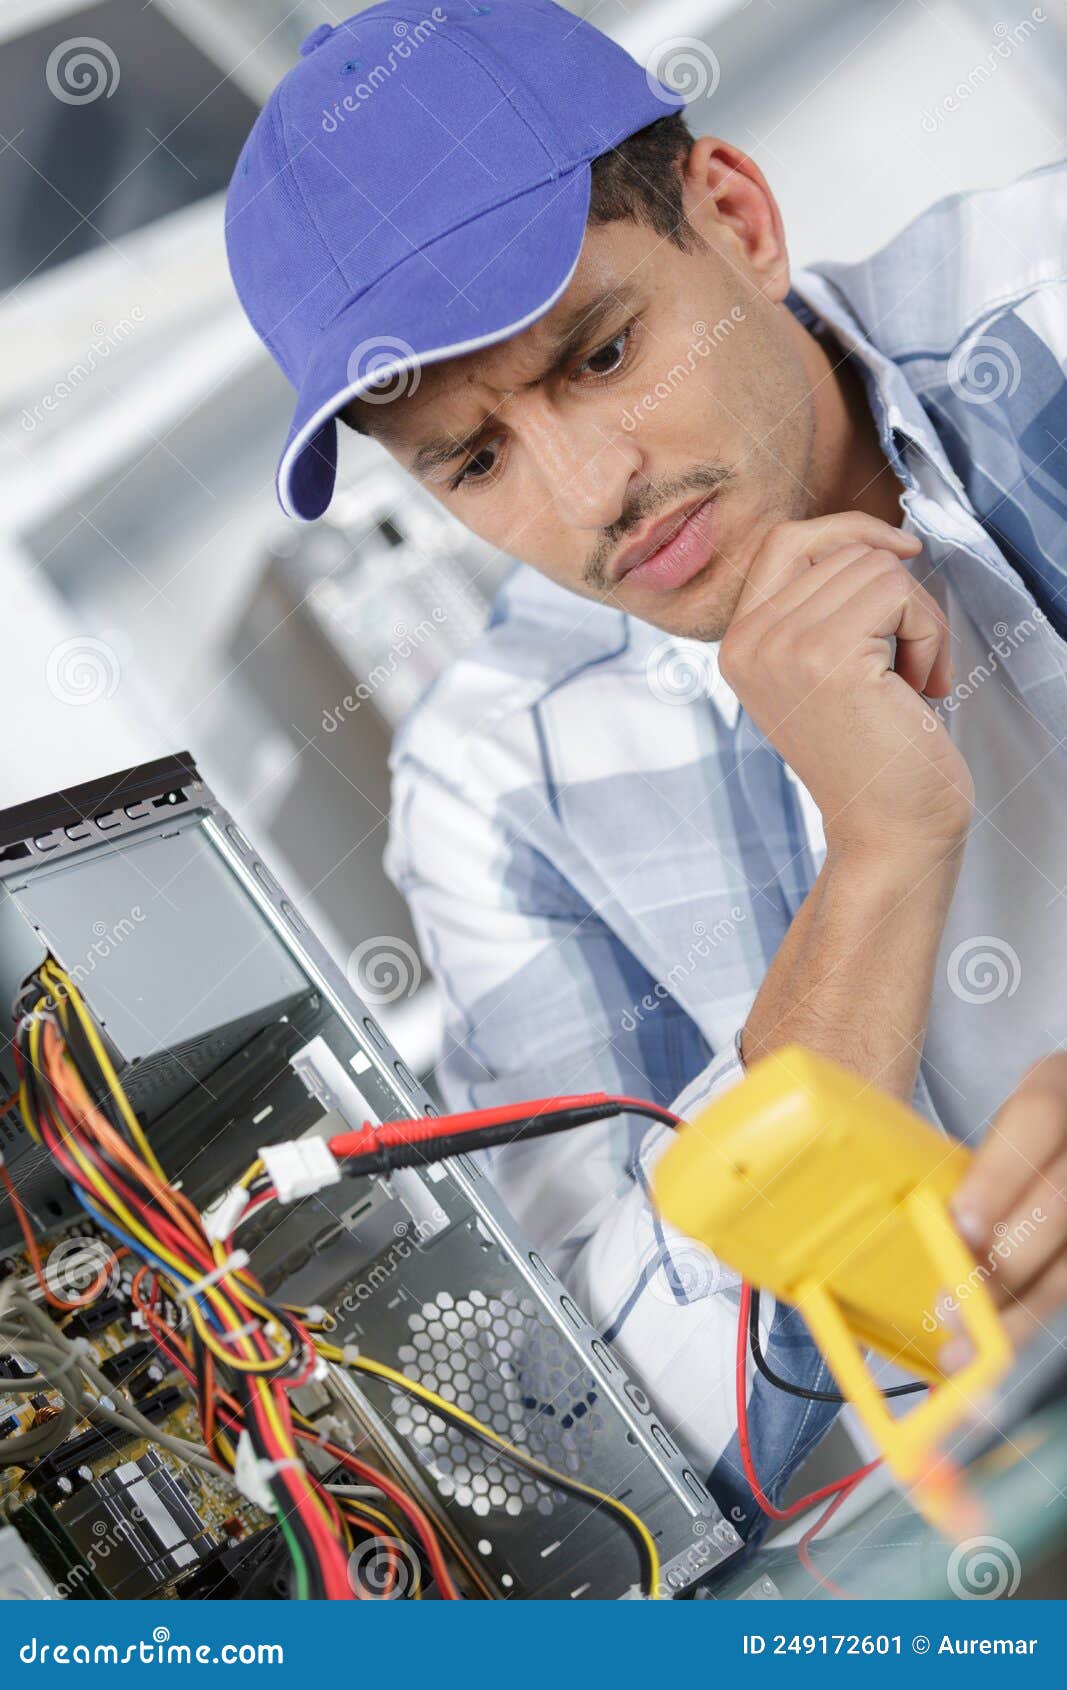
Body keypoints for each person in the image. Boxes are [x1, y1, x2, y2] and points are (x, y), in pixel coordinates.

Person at [225, 0, 1067, 1531]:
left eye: (602, 354)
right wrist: (876, 859)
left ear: (737, 221)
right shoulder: (495, 794)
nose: (592, 491)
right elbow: (584, 1451)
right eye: (474, 462)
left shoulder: (1049, 313)